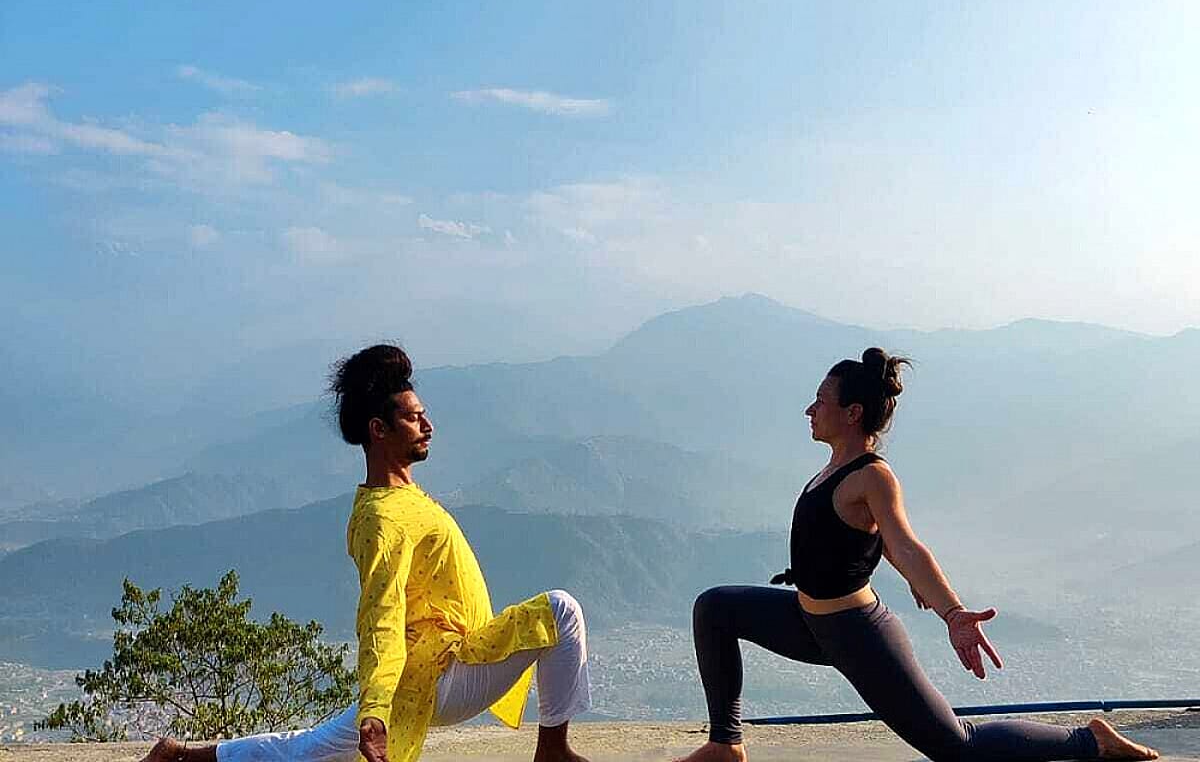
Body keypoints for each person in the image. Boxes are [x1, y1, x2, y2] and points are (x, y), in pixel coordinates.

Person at [675, 348, 1158, 762]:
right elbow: (871, 539)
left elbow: (905, 543)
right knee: (715, 608)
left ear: (852, 413)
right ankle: (726, 744)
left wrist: (953, 613)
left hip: (857, 634)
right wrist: (898, 568)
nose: (810, 409)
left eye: (820, 401)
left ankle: (1089, 740)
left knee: (957, 747)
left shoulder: (872, 476)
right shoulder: (833, 468)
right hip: (809, 621)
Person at [142, 344, 591, 762]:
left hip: (440, 663)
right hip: (441, 673)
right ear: (379, 430)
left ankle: (181, 755)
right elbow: (382, 615)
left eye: (424, 415)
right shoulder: (383, 518)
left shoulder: (396, 497)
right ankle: (552, 752)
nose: (428, 427)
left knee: (314, 746)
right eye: (414, 419)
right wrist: (375, 708)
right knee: (560, 609)